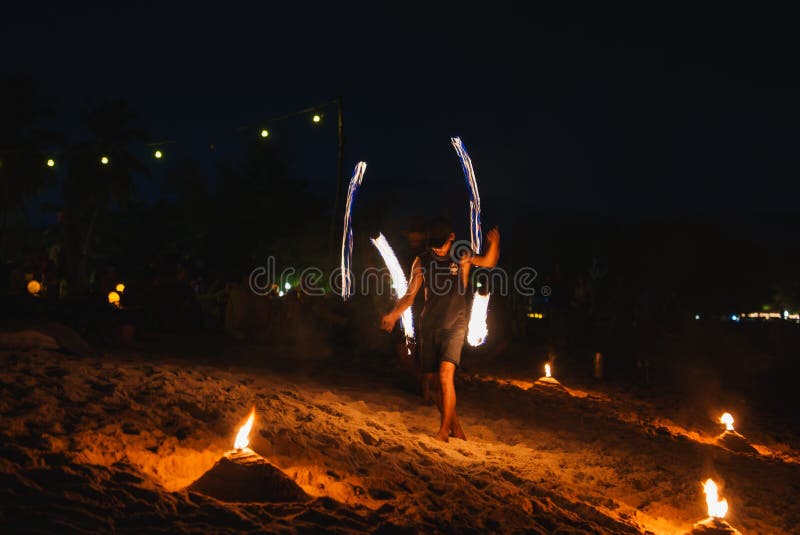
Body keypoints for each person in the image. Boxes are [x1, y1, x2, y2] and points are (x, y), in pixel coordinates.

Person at [381, 218, 500, 442]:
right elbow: (409, 295)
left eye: (441, 243)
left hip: (455, 325)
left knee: (446, 377)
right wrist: (394, 314)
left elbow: (488, 262)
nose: (437, 247)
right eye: (433, 243)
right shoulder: (423, 260)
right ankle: (456, 427)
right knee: (434, 387)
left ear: (451, 238)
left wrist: (494, 244)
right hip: (429, 326)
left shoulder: (461, 255)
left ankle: (444, 431)